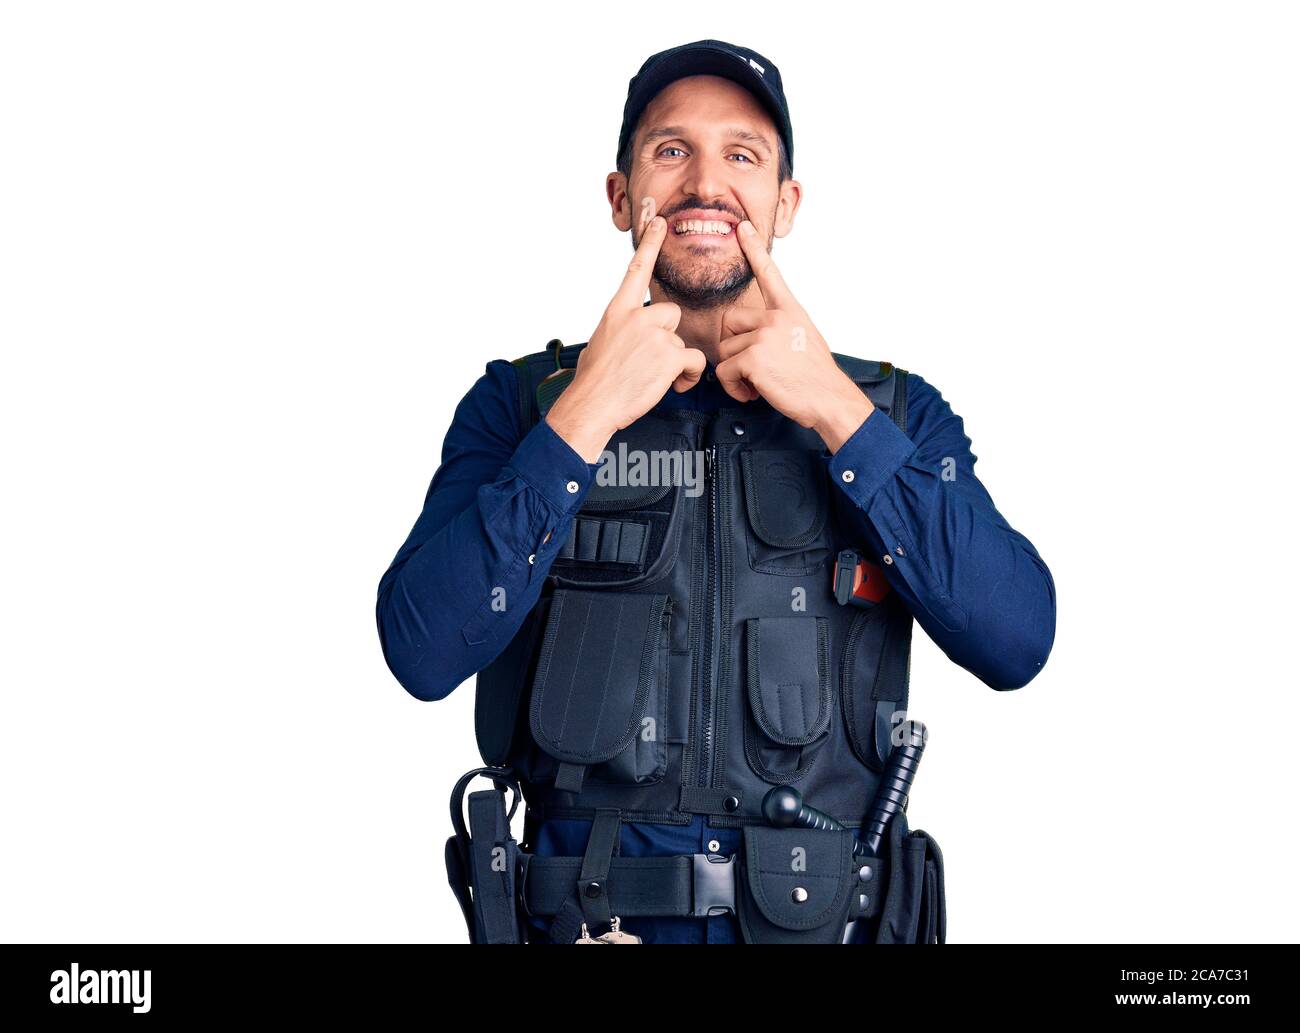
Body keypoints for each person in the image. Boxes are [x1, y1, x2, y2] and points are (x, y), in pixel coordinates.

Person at [377, 40, 1056, 944]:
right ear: (622, 197)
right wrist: (581, 420)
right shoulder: (521, 406)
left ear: (785, 203)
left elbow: (1017, 638)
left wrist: (840, 415)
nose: (706, 184)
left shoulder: (893, 410)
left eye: (742, 155)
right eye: (670, 151)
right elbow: (420, 649)